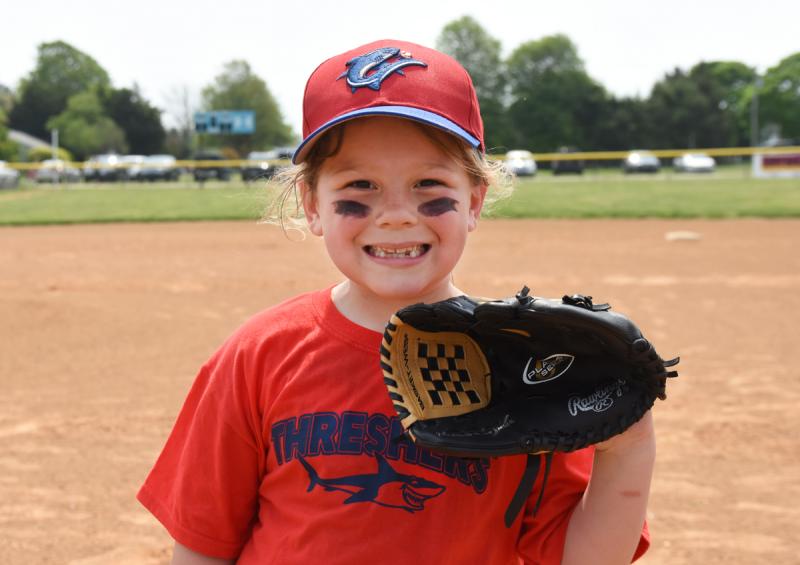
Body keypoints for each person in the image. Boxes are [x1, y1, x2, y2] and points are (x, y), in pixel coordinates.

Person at [137, 39, 656, 565]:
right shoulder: (260, 355)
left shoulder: (518, 368)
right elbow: (203, 545)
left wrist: (628, 446)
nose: (396, 216)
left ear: (474, 200)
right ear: (312, 204)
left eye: (428, 184)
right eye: (360, 186)